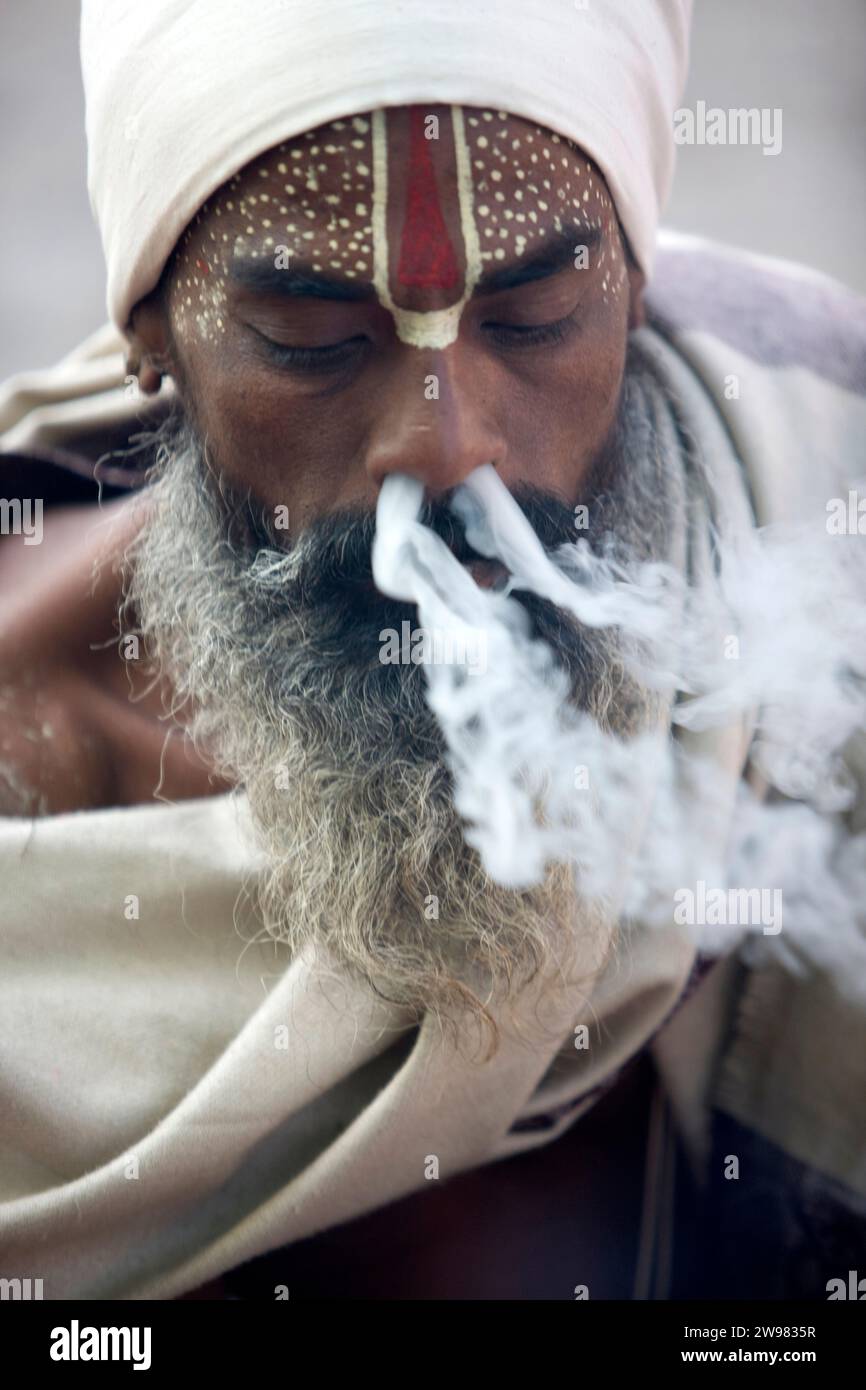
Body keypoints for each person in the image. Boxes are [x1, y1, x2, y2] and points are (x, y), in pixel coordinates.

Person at [0, 0, 864, 1301]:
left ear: (632, 291)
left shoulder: (803, 486)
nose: (444, 444)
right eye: (311, 339)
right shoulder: (31, 763)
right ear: (152, 340)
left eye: (531, 318)